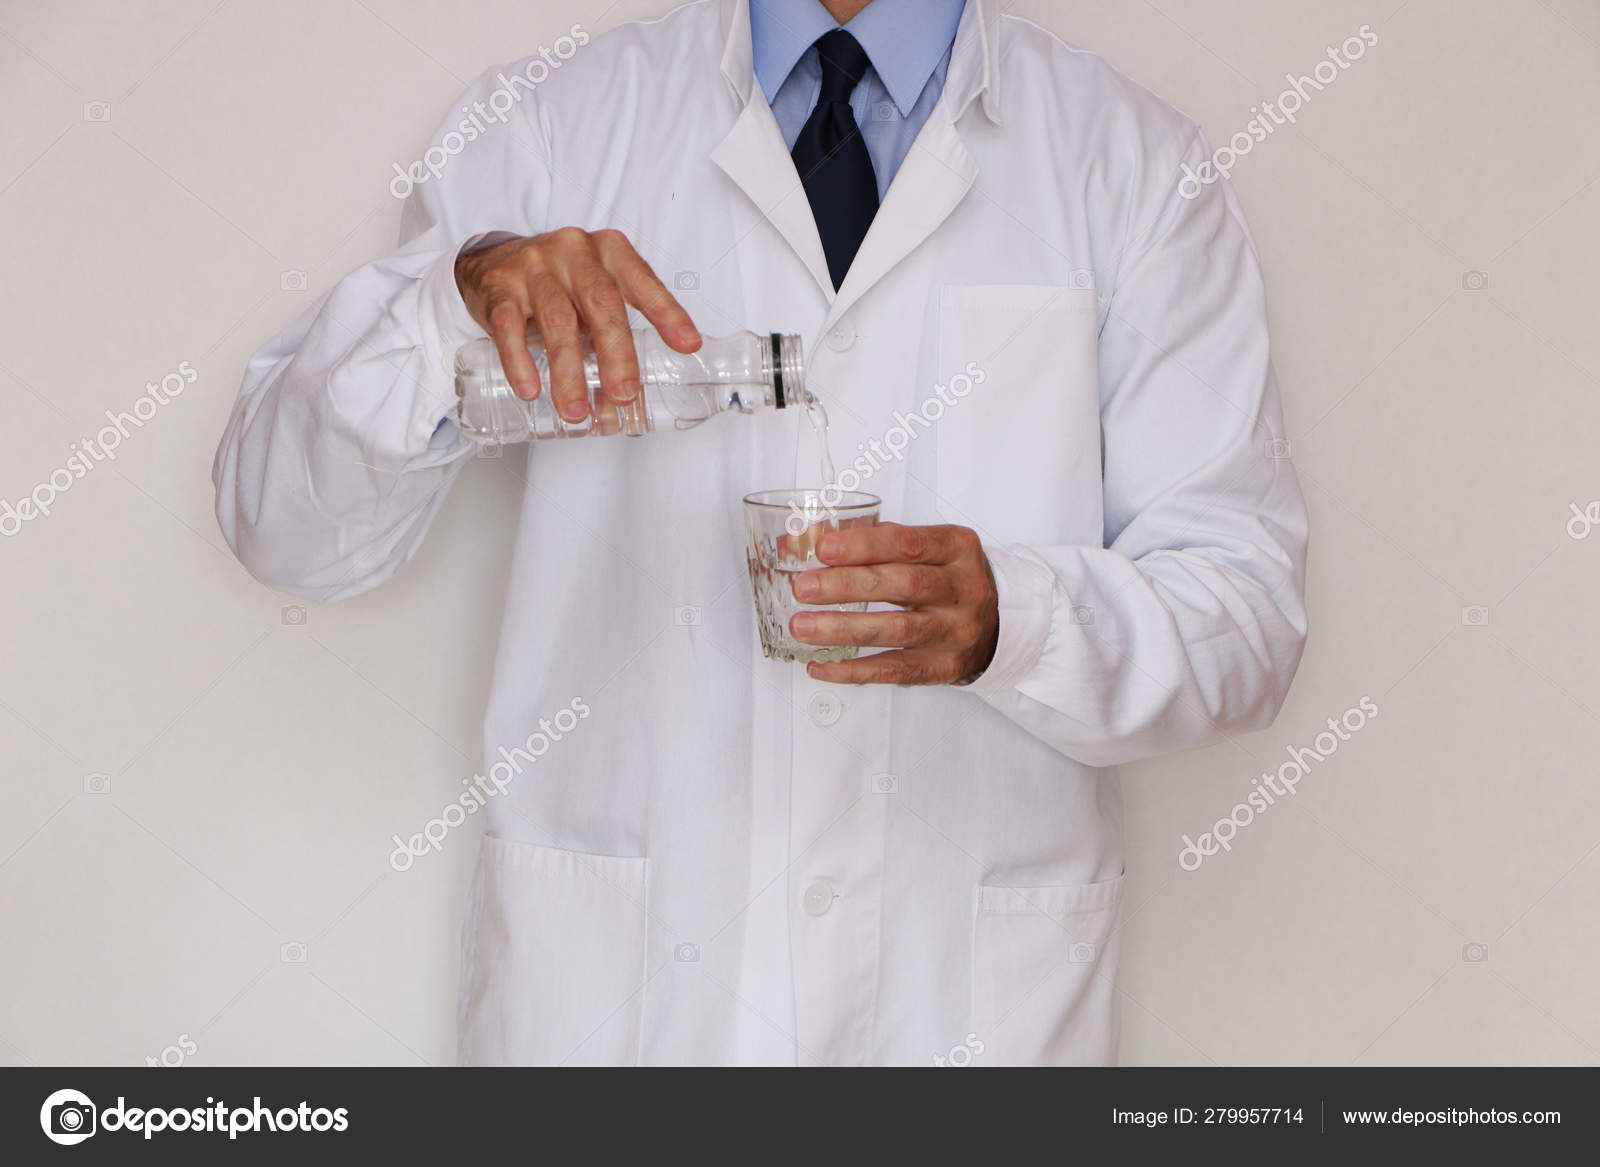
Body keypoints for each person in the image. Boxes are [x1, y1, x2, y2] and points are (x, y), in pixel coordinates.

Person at [214, 0, 1308, 1065]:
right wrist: (453, 301)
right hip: (624, 1008)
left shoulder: (1135, 167)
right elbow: (287, 530)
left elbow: (1246, 617)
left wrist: (1016, 621)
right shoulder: (552, 125)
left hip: (963, 1012)